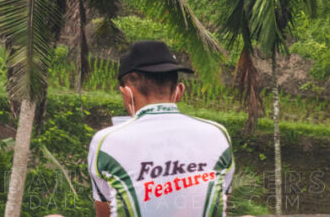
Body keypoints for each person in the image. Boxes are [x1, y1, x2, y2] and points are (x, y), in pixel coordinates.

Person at [88, 39, 235, 216]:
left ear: (126, 93)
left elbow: (105, 212)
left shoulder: (106, 141)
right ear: (179, 91)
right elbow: (220, 203)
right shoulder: (217, 133)